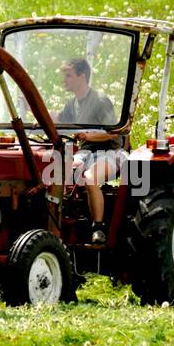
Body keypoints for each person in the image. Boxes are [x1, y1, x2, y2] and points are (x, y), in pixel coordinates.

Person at [56, 58, 126, 244]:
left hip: (108, 152)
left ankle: (98, 228)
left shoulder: (100, 101)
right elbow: (58, 121)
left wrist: (89, 136)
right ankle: (63, 222)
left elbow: (113, 134)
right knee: (62, 172)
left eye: (69, 75)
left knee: (90, 177)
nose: (65, 80)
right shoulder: (72, 104)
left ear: (82, 76)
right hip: (85, 153)